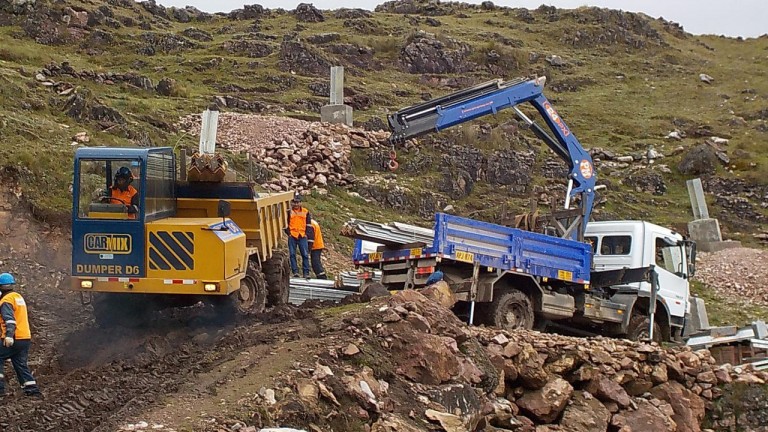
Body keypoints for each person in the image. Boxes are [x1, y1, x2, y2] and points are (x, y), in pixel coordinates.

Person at [0, 273, 41, 397]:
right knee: (20, 364)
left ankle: (0, 390)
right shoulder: (17, 297)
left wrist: (9, 335)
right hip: (24, 338)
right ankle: (32, 390)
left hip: (13, 337)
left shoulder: (6, 301)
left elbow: (10, 320)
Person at [284, 195, 312, 278]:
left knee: (305, 254)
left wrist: (307, 234)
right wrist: (288, 233)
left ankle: (306, 273)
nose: (296, 204)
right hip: (292, 235)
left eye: (297, 202)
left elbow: (309, 224)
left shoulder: (305, 212)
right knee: (292, 254)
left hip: (302, 235)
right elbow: (285, 224)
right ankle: (295, 272)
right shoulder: (289, 212)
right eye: (294, 202)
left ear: (300, 203)